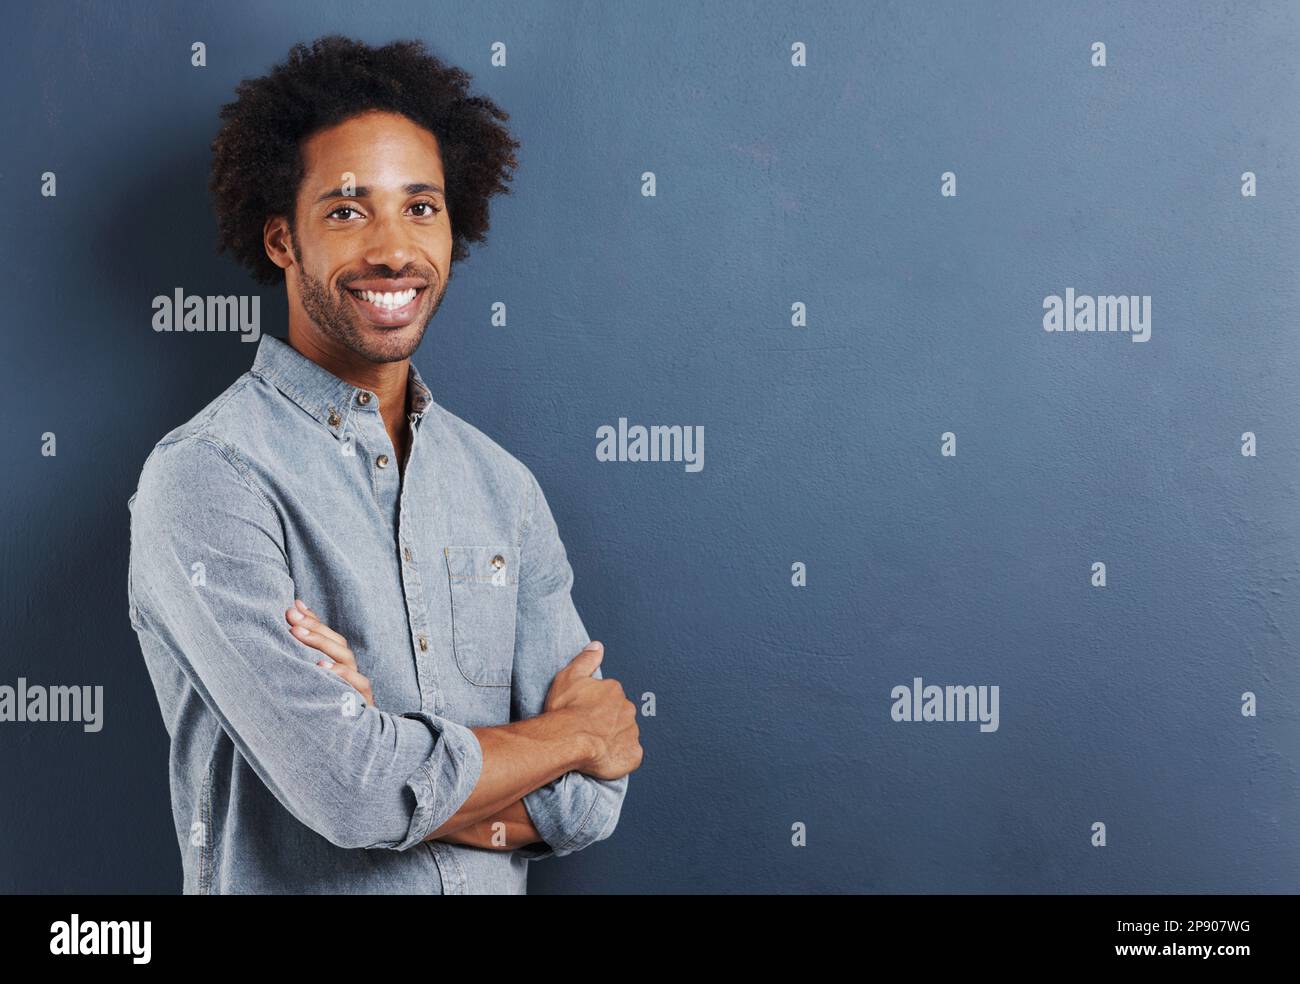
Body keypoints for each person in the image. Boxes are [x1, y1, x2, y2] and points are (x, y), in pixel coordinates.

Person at [127, 35, 641, 894]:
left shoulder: (502, 489)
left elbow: (594, 805)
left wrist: (393, 750)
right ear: (282, 239)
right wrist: (571, 735)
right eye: (347, 209)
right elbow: (352, 790)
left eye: (422, 207)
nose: (394, 249)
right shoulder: (207, 479)